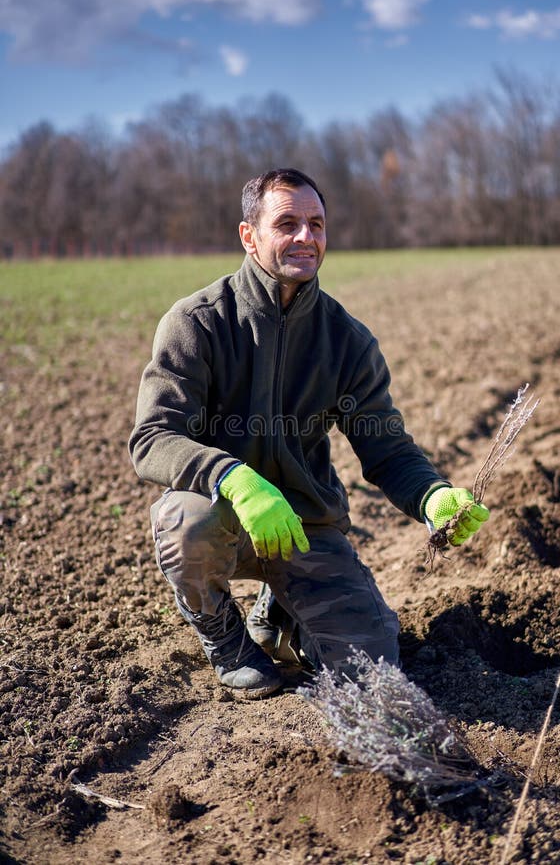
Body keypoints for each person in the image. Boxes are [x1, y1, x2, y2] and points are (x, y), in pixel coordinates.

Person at [129, 168, 489, 700]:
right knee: (183, 517)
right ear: (249, 237)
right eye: (288, 223)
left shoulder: (347, 341)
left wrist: (433, 496)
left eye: (316, 224)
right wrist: (234, 478)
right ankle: (227, 642)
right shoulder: (197, 323)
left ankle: (279, 609)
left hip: (305, 527)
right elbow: (153, 438)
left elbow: (386, 448)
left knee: (371, 669)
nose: (306, 237)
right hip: (222, 517)